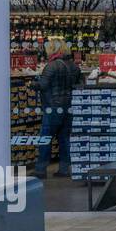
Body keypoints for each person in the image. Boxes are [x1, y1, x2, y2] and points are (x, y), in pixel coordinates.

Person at [35, 38, 81, 177]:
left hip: (53, 107)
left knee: (46, 138)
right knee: (64, 138)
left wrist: (34, 83)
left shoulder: (51, 66)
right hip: (69, 107)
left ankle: (41, 169)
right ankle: (64, 169)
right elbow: (78, 85)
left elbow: (43, 85)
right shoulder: (74, 66)